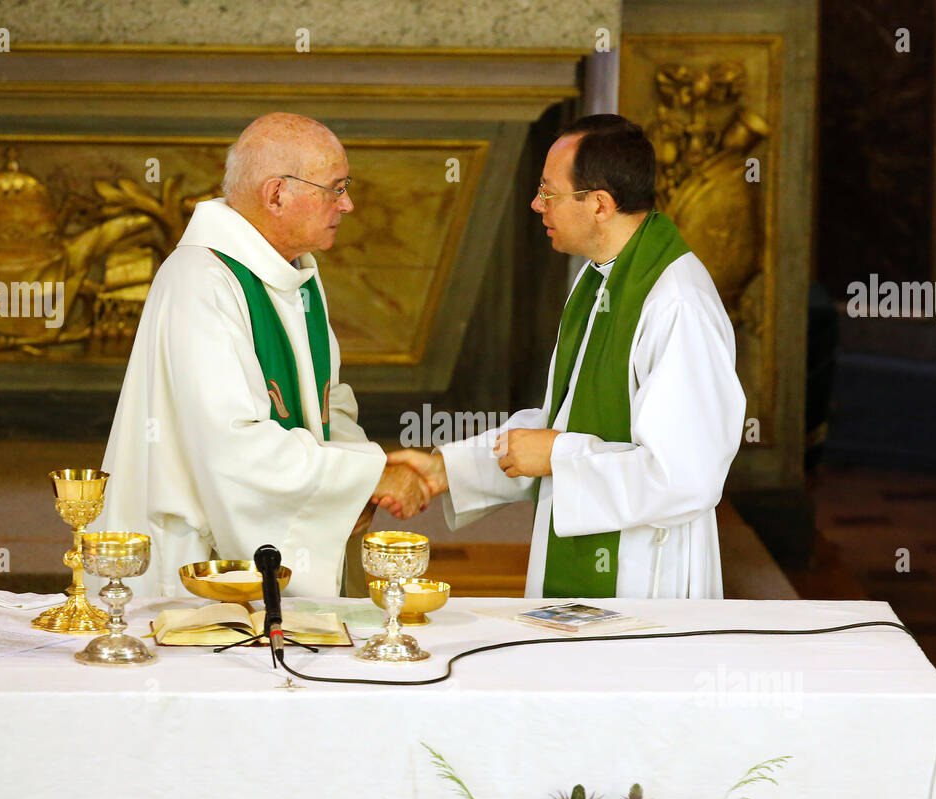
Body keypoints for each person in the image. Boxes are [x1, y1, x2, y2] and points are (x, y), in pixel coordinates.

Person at [386, 114, 746, 599]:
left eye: (548, 192)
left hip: (643, 574)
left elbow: (685, 476)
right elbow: (561, 422)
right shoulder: (599, 281)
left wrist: (558, 453)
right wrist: (446, 468)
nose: (537, 205)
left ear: (598, 204)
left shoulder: (675, 302)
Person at [95, 112, 428, 599]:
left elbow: (327, 408)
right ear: (277, 194)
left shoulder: (296, 276)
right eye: (335, 188)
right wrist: (371, 475)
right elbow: (231, 449)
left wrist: (357, 481)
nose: (348, 204)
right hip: (199, 565)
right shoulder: (201, 280)